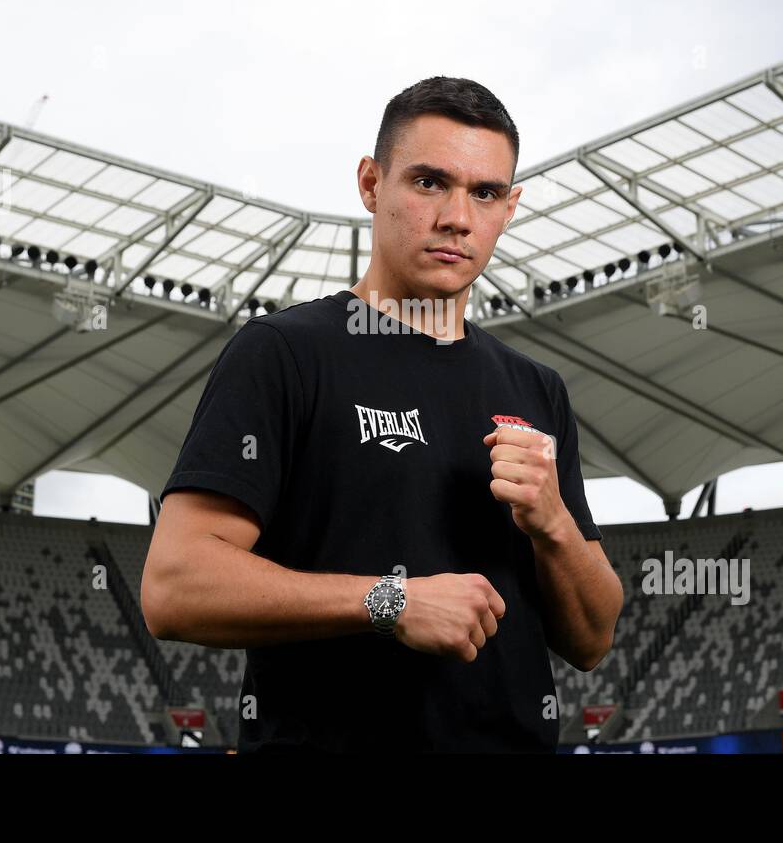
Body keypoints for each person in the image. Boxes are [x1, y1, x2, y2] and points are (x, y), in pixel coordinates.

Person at [143, 76, 624, 752]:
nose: (458, 217)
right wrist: (389, 602)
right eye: (429, 182)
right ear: (371, 184)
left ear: (509, 208)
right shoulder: (283, 354)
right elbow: (174, 586)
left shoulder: (536, 390)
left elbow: (593, 640)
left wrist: (553, 527)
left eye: (485, 193)